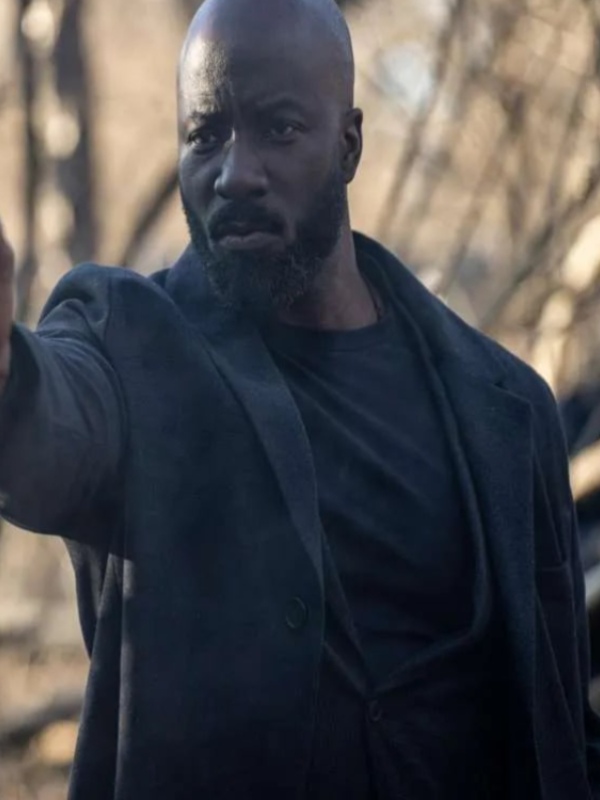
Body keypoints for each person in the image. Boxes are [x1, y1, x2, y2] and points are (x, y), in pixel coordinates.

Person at [0, 0, 598, 797]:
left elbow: (562, 729)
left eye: (278, 129)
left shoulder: (505, 408)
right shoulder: (128, 342)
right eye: (204, 135)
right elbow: (51, 430)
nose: (235, 173)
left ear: (349, 145)